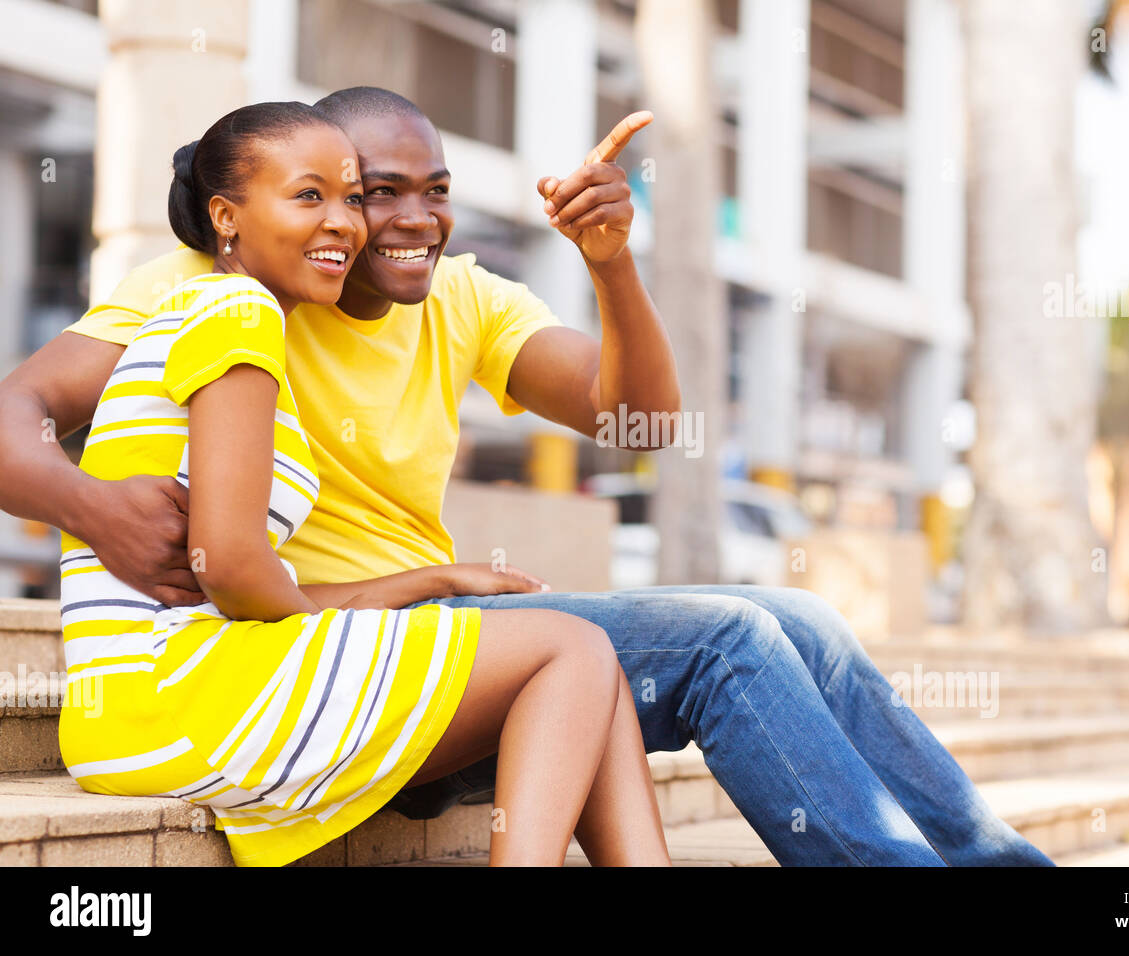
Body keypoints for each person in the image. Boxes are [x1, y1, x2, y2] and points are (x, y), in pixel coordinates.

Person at [0, 86, 1052, 866]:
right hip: (323, 666)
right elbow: (18, 413)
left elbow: (641, 417)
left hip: (428, 643)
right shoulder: (215, 289)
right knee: (729, 639)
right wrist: (90, 506)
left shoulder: (459, 298)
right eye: (368, 195)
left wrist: (608, 262)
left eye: (435, 193)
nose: (404, 220)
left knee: (804, 622)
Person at [54, 100, 670, 868]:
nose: (345, 223)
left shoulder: (222, 314)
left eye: (351, 198)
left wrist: (431, 577)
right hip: (168, 697)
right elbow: (239, 571)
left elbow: (238, 574)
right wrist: (407, 591)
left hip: (145, 708)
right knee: (571, 649)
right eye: (309, 197)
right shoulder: (236, 311)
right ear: (227, 217)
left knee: (592, 664)